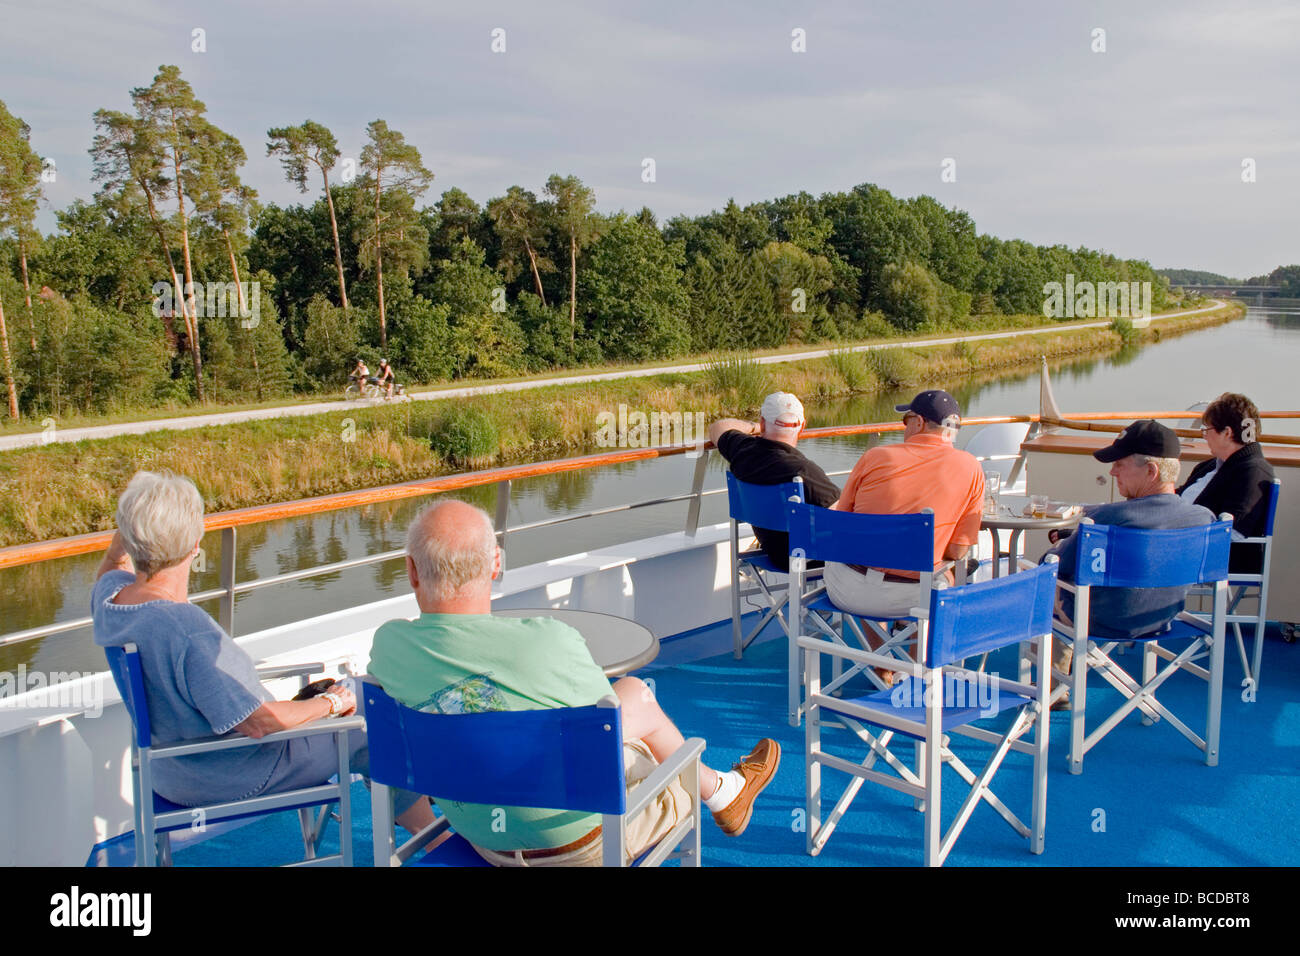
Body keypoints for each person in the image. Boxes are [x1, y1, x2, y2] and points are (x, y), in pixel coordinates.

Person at [367, 499, 781, 866]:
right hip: (585, 846)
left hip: (484, 843)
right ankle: (721, 792)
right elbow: (599, 739)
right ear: (495, 563)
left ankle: (726, 792)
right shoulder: (547, 639)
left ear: (411, 571)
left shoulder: (388, 648)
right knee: (638, 721)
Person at [91, 471, 436, 838]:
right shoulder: (186, 630)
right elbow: (259, 723)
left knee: (363, 697)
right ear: (195, 544)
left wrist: (128, 535)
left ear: (130, 537)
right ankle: (432, 833)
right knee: (374, 718)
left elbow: (112, 567)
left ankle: (417, 815)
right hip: (240, 771)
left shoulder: (113, 602)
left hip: (171, 774)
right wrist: (329, 705)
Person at [1042, 420, 1215, 708]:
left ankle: (1053, 688)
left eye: (1119, 464)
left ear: (1151, 471)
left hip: (1102, 621)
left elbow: (1059, 565)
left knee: (1046, 577)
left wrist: (1058, 546)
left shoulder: (1107, 521)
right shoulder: (1203, 519)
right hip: (1163, 618)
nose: (1112, 471)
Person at [823, 389, 984, 621]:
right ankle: (912, 657)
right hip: (915, 598)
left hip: (847, 591)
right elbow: (958, 551)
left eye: (906, 420)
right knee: (945, 577)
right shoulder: (971, 468)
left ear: (918, 422)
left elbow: (842, 521)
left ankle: (875, 653)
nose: (904, 427)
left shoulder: (874, 457)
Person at [708, 392, 840, 571]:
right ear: (802, 427)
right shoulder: (804, 472)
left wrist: (754, 427)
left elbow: (718, 427)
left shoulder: (742, 450)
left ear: (762, 423)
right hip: (807, 558)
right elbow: (844, 516)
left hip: (772, 552)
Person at [1177, 392, 1275, 573]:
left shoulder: (1254, 472)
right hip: (1182, 544)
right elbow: (1178, 497)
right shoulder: (1209, 467)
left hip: (1210, 556)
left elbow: (1233, 531)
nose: (1204, 437)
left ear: (1227, 433)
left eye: (1207, 430)